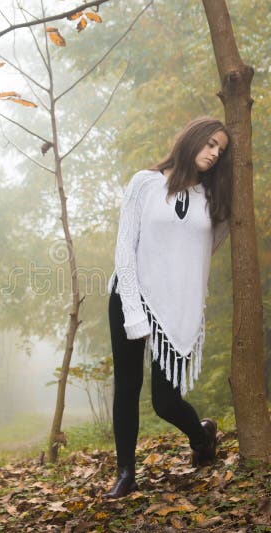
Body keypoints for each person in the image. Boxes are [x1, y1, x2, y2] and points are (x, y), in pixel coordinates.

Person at [103, 117, 232, 499]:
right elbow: (125, 247)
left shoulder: (214, 200)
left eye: (220, 150)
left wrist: (178, 283)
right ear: (191, 139)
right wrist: (134, 309)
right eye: (209, 143)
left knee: (165, 400)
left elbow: (206, 249)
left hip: (175, 305)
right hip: (129, 294)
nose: (213, 153)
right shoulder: (145, 183)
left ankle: (202, 437)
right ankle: (126, 473)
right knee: (127, 387)